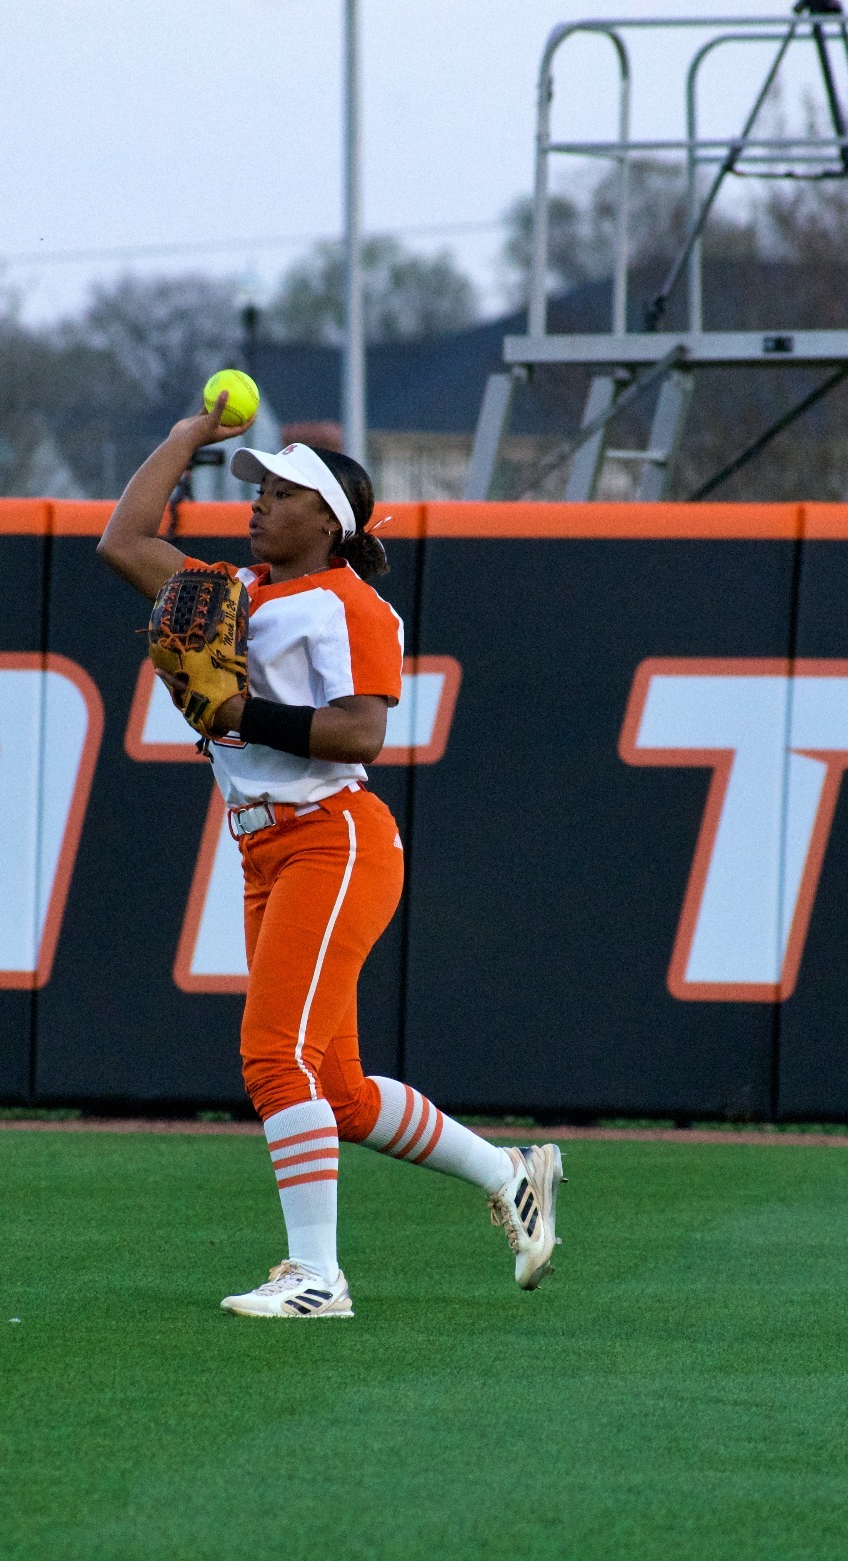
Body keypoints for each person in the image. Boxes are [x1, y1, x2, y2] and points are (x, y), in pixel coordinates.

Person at [97, 394, 563, 1319]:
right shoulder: (234, 593)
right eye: (258, 488)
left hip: (332, 840)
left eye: (281, 491)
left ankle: (318, 1277)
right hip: (266, 850)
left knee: (276, 1059)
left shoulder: (352, 604)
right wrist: (191, 435)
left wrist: (236, 713)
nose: (260, 502)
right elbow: (123, 541)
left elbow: (360, 734)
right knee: (339, 1092)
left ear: (328, 520)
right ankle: (511, 1171)